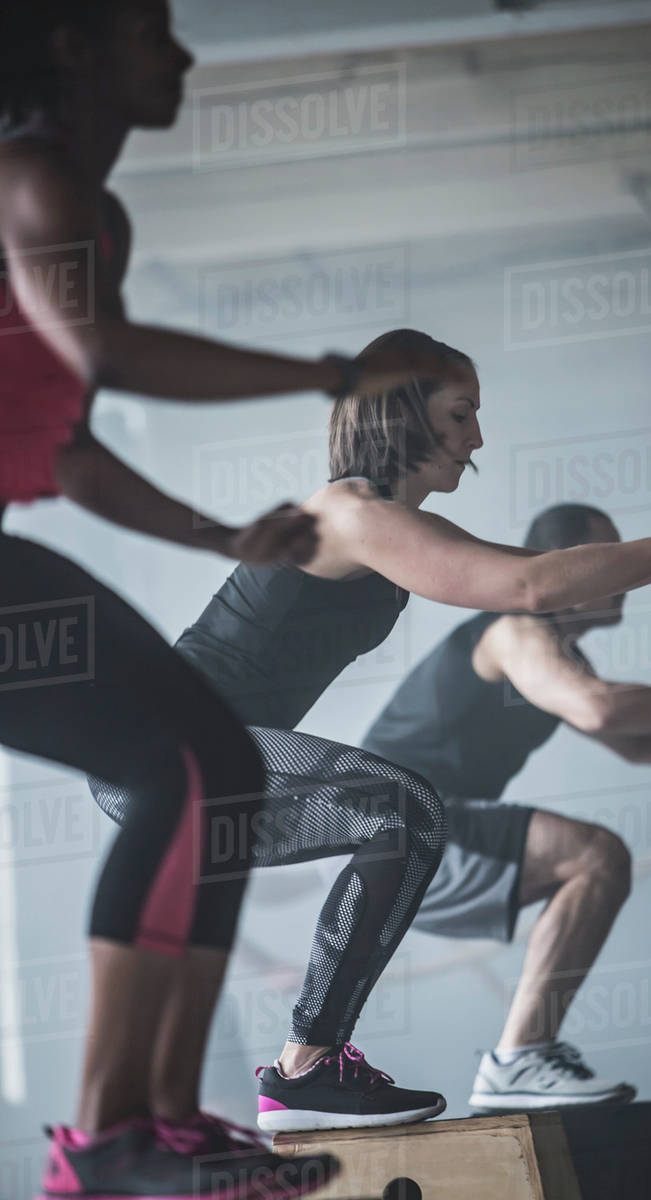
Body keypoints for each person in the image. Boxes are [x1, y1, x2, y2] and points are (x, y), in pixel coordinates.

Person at [91, 324, 651, 1135]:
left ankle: (302, 1070)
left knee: (400, 815)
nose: (477, 439)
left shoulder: (388, 535)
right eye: (461, 414)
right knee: (407, 807)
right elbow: (529, 581)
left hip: (194, 758)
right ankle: (304, 1071)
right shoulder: (352, 513)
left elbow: (559, 630)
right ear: (400, 414)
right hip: (163, 743)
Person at [0, 3, 460, 1196]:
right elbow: (111, 353)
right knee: (195, 759)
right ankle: (116, 1136)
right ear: (74, 48)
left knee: (208, 763)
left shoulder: (94, 214)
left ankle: (147, 1126)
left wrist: (213, 533)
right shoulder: (35, 180)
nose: (184, 55)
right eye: (155, 33)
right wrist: (333, 372)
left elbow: (69, 452)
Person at [361, 500, 651, 1111]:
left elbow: (644, 747)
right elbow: (603, 708)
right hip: (390, 826)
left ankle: (525, 1054)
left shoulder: (561, 656)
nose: (618, 573)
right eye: (603, 558)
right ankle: (519, 1059)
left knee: (594, 864)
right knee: (596, 855)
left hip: (415, 830)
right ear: (571, 568)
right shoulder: (514, 631)